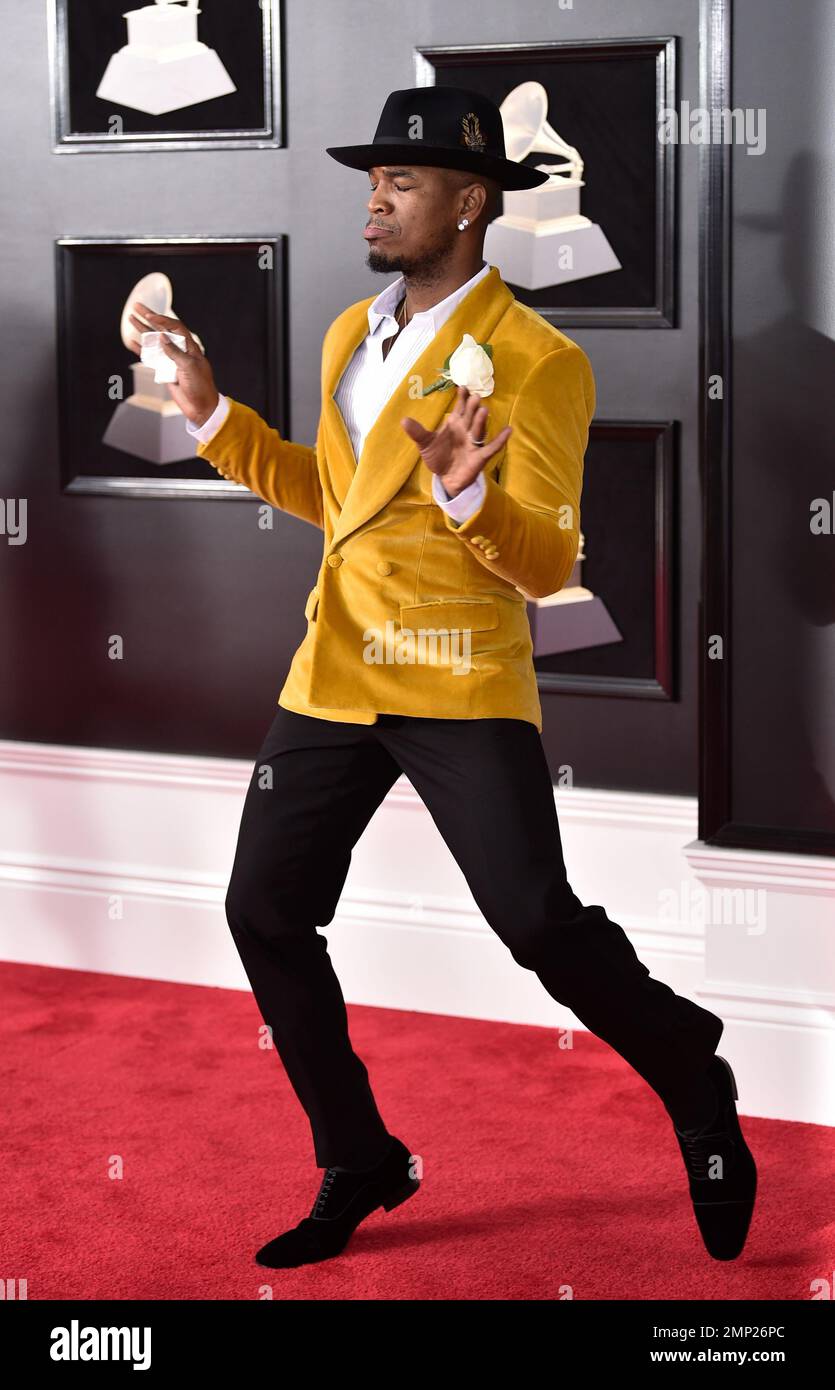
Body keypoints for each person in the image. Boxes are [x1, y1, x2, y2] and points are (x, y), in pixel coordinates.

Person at [127, 86, 757, 1270]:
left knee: (535, 922)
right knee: (263, 908)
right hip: (335, 669)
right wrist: (212, 416)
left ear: (471, 204)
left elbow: (552, 559)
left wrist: (468, 493)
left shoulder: (539, 359)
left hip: (459, 674)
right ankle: (359, 1154)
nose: (375, 198)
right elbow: (336, 500)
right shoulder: (343, 337)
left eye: (402, 181)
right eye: (371, 178)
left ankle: (693, 1070)